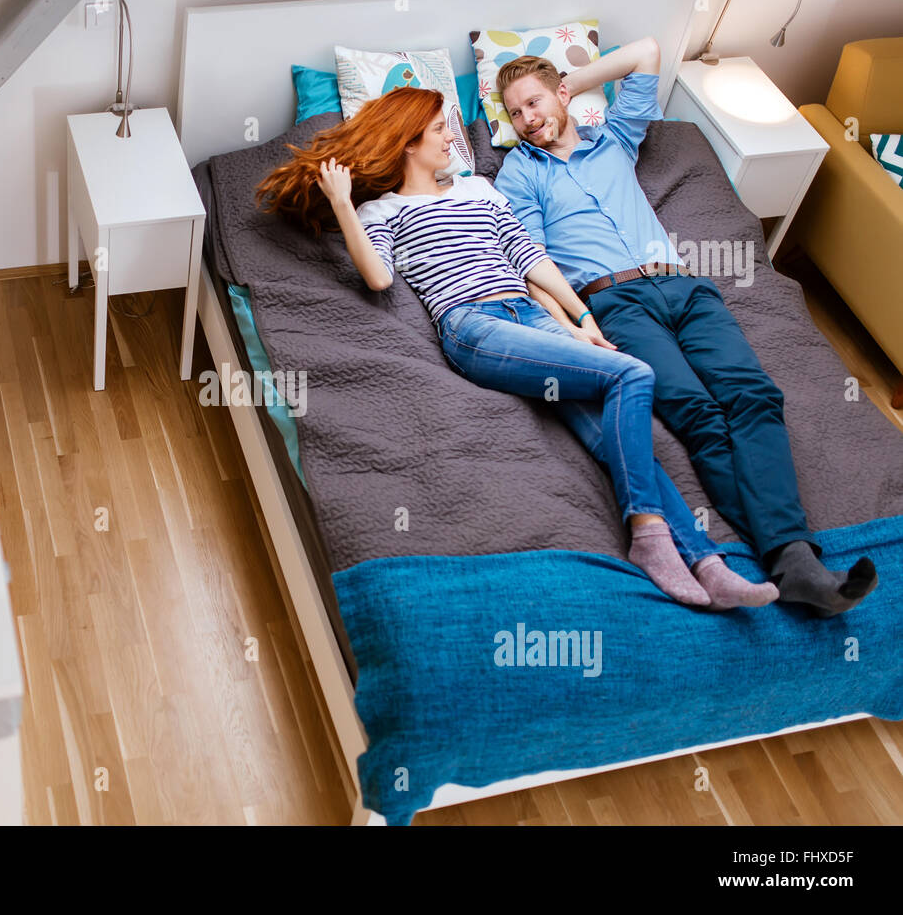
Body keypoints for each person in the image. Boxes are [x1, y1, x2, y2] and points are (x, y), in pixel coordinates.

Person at [255, 86, 777, 609]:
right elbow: (376, 277)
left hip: (530, 315)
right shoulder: (384, 211)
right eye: (439, 129)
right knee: (632, 375)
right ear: (408, 141)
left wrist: (580, 318)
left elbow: (529, 258)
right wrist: (343, 204)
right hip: (474, 326)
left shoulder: (480, 189)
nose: (450, 138)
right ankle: (648, 537)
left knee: (610, 436)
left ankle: (707, 562)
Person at [491, 38, 877, 617]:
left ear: (565, 93)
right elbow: (529, 264)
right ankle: (793, 559)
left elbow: (647, 52)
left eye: (535, 102)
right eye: (514, 113)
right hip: (615, 301)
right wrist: (576, 324)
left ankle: (791, 560)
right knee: (698, 414)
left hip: (686, 287)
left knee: (754, 395)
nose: (527, 120)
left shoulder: (616, 139)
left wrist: (567, 78)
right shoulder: (519, 173)